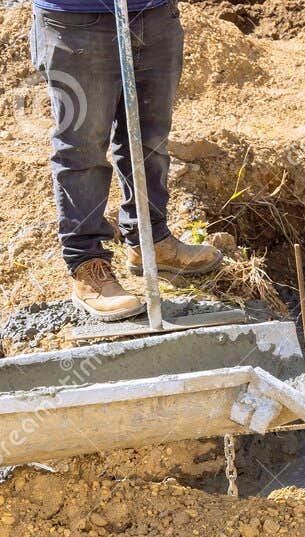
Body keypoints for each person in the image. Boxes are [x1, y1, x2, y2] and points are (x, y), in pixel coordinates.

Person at [30, 0, 222, 321]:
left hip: (154, 13)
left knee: (150, 138)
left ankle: (150, 238)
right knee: (83, 146)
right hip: (76, 19)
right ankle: (87, 264)